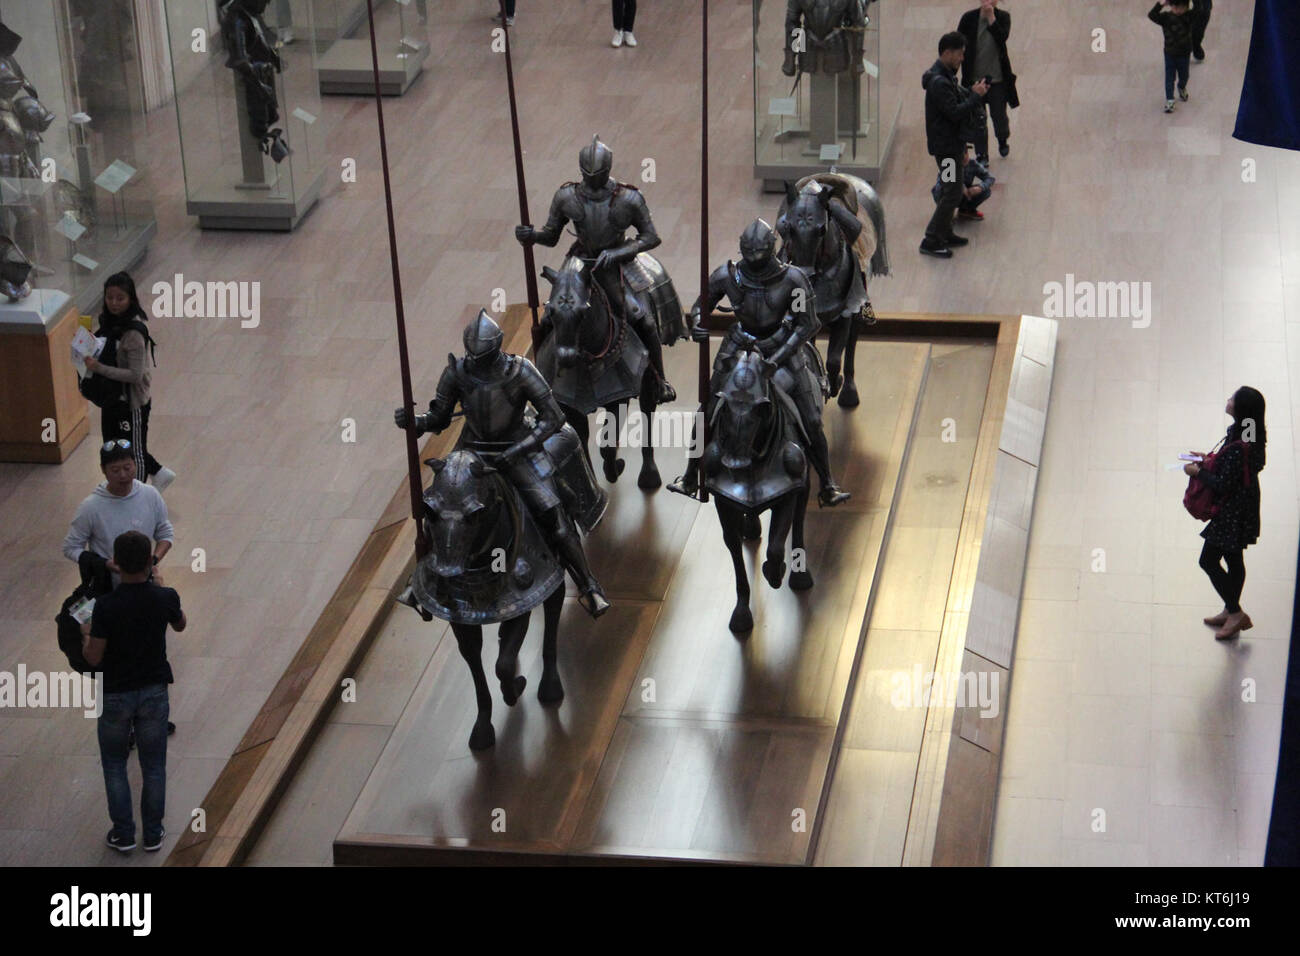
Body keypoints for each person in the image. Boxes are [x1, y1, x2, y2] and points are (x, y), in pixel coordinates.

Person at [395, 311, 610, 617]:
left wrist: (518, 450)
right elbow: (439, 418)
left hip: (517, 449)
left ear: (496, 350)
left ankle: (587, 585)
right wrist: (415, 421)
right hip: (471, 453)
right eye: (473, 357)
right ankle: (425, 580)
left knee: (552, 514)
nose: (477, 364)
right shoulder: (457, 372)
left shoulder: (521, 371)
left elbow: (553, 417)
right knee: (440, 507)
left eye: (482, 358)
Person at [668, 219, 851, 507]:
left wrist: (776, 361)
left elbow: (807, 325)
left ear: (771, 252)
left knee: (812, 419)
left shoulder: (793, 280)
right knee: (708, 408)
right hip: (738, 343)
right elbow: (702, 304)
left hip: (782, 345)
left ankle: (827, 483)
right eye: (749, 258)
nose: (753, 266)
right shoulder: (728, 275)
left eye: (759, 259)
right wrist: (698, 323)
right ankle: (691, 474)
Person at [515, 137, 675, 403]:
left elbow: (651, 237)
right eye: (587, 175)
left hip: (614, 265)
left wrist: (618, 252)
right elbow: (552, 236)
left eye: (597, 175)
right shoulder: (566, 196)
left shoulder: (629, 198)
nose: (591, 180)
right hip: (579, 262)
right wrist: (532, 236)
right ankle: (540, 380)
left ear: (608, 171)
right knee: (548, 318)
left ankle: (659, 380)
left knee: (643, 319)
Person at [83, 530, 186, 853]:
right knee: (153, 765)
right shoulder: (165, 597)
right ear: (148, 561)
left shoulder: (105, 607)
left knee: (114, 764)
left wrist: (87, 631)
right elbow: (181, 624)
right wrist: (161, 583)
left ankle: (124, 834)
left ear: (116, 564)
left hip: (116, 693)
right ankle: (153, 834)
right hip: (154, 690)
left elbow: (94, 657)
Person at [1183, 387, 1266, 641]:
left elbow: (1223, 484)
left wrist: (1198, 472)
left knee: (1208, 560)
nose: (1228, 401)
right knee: (1233, 557)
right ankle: (1230, 610)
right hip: (1244, 504)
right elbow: (1250, 460)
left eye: (1232, 399)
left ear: (1240, 409)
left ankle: (1234, 611)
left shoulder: (1245, 437)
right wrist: (1212, 459)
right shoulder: (1249, 427)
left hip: (1232, 510)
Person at [82, 272, 175, 492]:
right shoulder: (107, 324)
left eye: (120, 298)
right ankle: (160, 473)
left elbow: (135, 375)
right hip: (112, 399)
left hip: (131, 403)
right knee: (113, 444)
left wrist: (99, 368)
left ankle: (138, 494)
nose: (114, 303)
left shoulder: (133, 334)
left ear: (130, 299)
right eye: (109, 297)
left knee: (134, 450)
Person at [63, 440, 174, 594]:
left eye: (127, 468)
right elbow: (71, 547)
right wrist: (105, 564)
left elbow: (165, 533)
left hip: (143, 584)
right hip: (107, 588)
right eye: (115, 470)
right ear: (103, 470)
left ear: (135, 465)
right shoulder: (91, 507)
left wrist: (153, 561)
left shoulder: (150, 495)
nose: (122, 475)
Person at [921, 33, 988, 258]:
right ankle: (931, 239)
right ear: (947, 53)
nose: (961, 58)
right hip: (946, 150)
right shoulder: (940, 82)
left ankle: (946, 232)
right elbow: (954, 113)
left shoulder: (945, 76)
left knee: (952, 190)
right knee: (951, 193)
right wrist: (975, 97)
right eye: (959, 54)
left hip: (951, 146)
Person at [958, 0, 1015, 161]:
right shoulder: (968, 18)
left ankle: (1002, 140)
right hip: (975, 80)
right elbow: (958, 45)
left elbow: (1002, 38)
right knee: (978, 119)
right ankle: (982, 154)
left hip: (997, 79)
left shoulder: (1003, 17)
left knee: (999, 115)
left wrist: (991, 18)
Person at [1148, 1, 1194, 113]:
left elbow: (1200, 10)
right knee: (1169, 77)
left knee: (1185, 75)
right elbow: (1151, 15)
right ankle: (1170, 99)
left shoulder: (1189, 16)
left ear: (1187, 7)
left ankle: (1181, 87)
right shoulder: (1165, 17)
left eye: (1181, 7)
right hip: (1169, 54)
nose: (1178, 10)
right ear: (1170, 6)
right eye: (1175, 7)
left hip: (1184, 54)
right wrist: (1161, 4)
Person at [932, 144, 995, 222]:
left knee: (986, 191)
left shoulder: (972, 164)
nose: (964, 159)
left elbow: (990, 178)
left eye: (966, 155)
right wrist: (960, 186)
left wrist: (980, 187)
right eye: (961, 159)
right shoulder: (948, 166)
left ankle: (965, 210)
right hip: (949, 195)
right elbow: (942, 186)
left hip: (964, 196)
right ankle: (945, 213)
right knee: (944, 190)